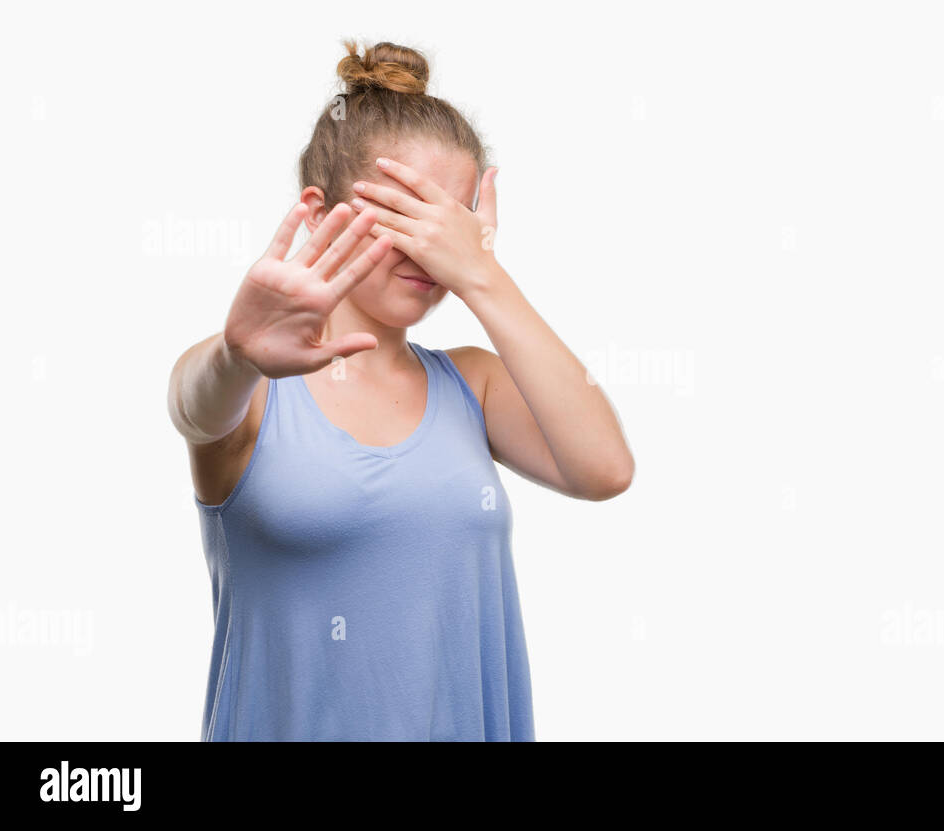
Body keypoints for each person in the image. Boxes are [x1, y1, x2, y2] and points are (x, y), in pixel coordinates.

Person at [166, 40, 634, 741]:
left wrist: (483, 277)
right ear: (322, 212)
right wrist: (236, 354)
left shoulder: (472, 385)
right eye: (407, 213)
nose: (431, 248)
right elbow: (191, 402)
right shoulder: (254, 385)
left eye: (452, 224)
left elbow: (606, 468)